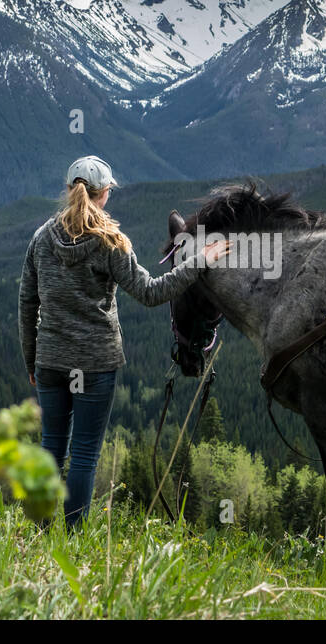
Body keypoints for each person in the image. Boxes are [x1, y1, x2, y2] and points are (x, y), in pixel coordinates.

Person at [18, 155, 230, 529]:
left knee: (51, 447)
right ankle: (74, 538)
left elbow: (27, 302)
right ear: (104, 196)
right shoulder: (110, 242)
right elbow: (150, 292)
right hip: (95, 363)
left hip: (49, 362)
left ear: (69, 191)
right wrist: (200, 260)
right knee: (84, 454)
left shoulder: (40, 239)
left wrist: (31, 360)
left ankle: (37, 532)